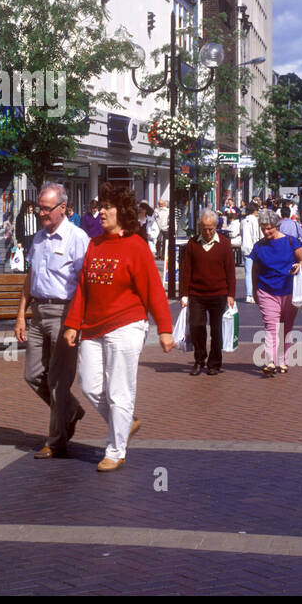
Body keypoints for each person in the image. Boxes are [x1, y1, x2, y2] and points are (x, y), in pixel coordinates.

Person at [63, 183, 174, 472]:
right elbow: (83, 289)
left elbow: (153, 289)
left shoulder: (136, 246)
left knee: (119, 391)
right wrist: (73, 323)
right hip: (92, 326)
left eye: (107, 207)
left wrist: (164, 327)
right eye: (100, 206)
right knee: (89, 384)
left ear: (121, 212)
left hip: (127, 324)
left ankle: (115, 449)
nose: (101, 212)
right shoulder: (95, 243)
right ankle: (125, 422)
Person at [14, 183, 89, 459]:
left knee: (58, 380)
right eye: (40, 208)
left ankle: (56, 440)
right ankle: (70, 410)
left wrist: (77, 320)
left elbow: (85, 282)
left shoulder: (77, 238)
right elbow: (30, 278)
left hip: (64, 313)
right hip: (39, 313)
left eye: (46, 209)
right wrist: (21, 314)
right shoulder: (39, 238)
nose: (41, 213)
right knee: (32, 374)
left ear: (62, 208)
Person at [250, 209, 302, 376]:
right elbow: (255, 270)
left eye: (269, 228)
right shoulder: (258, 247)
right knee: (271, 327)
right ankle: (270, 361)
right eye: (263, 228)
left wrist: (300, 265)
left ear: (276, 226)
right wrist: (254, 290)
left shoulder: (291, 242)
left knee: (287, 327)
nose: (266, 231)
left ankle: (284, 360)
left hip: (289, 290)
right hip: (266, 290)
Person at [180, 209, 236, 375]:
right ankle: (199, 360)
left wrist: (231, 294)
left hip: (219, 294)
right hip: (197, 294)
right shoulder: (192, 244)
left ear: (216, 227)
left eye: (211, 228)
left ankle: (215, 363)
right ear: (199, 227)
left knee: (217, 330)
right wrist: (184, 294)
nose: (208, 232)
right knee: (197, 326)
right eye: (204, 229)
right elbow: (186, 271)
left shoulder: (224, 244)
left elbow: (230, 272)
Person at [240, 201, 262, 303]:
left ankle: (249, 294)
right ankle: (255, 293)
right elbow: (257, 235)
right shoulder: (255, 221)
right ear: (254, 210)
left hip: (245, 247)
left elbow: (241, 233)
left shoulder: (243, 221)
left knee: (248, 272)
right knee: (257, 272)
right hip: (254, 248)